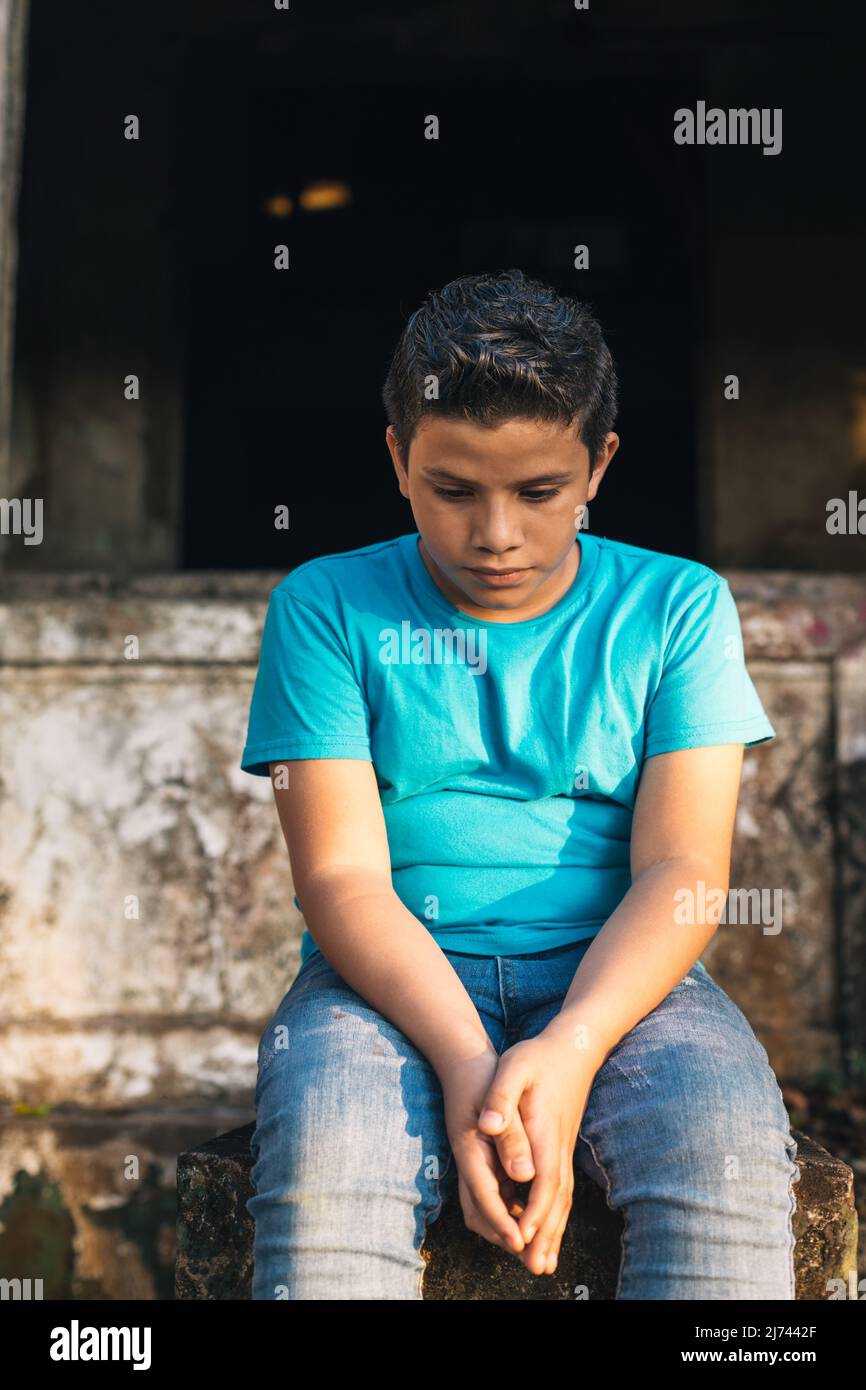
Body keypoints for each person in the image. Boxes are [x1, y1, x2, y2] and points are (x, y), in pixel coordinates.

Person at [239, 268, 800, 1300]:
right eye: (452, 489)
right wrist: (465, 1061)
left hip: (628, 980)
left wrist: (573, 1043)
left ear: (598, 464)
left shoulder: (675, 607)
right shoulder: (324, 606)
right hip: (382, 986)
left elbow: (682, 868)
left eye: (538, 492)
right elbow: (341, 879)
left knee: (722, 1162)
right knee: (325, 1178)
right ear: (398, 459)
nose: (495, 534)